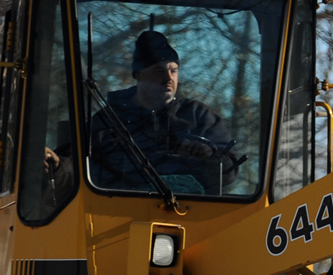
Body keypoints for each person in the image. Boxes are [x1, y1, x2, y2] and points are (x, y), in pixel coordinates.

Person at [82, 30, 241, 195]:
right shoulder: (110, 119)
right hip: (118, 211)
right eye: (159, 71)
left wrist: (209, 156)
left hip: (190, 213)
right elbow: (74, 162)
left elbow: (229, 170)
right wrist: (57, 165)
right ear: (139, 74)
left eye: (173, 71)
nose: (168, 78)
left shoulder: (198, 115)